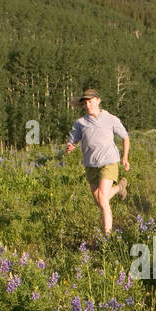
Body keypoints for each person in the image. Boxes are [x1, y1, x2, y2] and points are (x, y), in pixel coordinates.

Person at [65, 88, 129, 237]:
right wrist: (70, 146)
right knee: (99, 200)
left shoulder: (110, 118)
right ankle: (119, 187)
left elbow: (125, 137)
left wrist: (125, 158)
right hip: (91, 164)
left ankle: (107, 237)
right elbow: (73, 140)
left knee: (102, 198)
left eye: (91, 101)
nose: (88, 105)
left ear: (98, 100)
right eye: (86, 103)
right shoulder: (80, 123)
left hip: (109, 162)